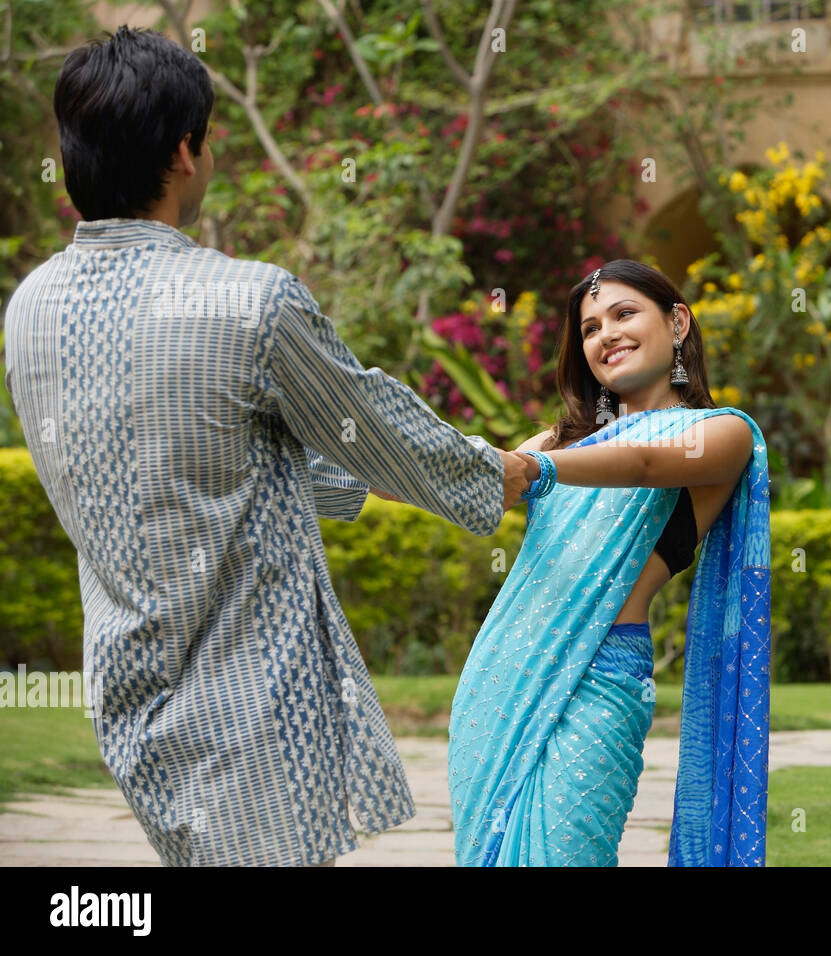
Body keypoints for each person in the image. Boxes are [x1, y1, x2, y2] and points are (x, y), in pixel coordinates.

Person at [2, 26, 531, 866]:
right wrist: (510, 473)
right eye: (209, 143)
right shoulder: (248, 300)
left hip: (127, 702)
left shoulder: (29, 311)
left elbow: (207, 463)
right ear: (185, 152)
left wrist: (373, 484)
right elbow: (371, 425)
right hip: (251, 709)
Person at [447, 259, 772, 866]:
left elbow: (644, 464)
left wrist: (533, 469)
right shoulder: (558, 442)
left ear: (677, 322)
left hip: (601, 676)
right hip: (500, 673)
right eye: (591, 327)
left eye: (624, 314)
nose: (606, 336)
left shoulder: (722, 433)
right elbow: (468, 481)